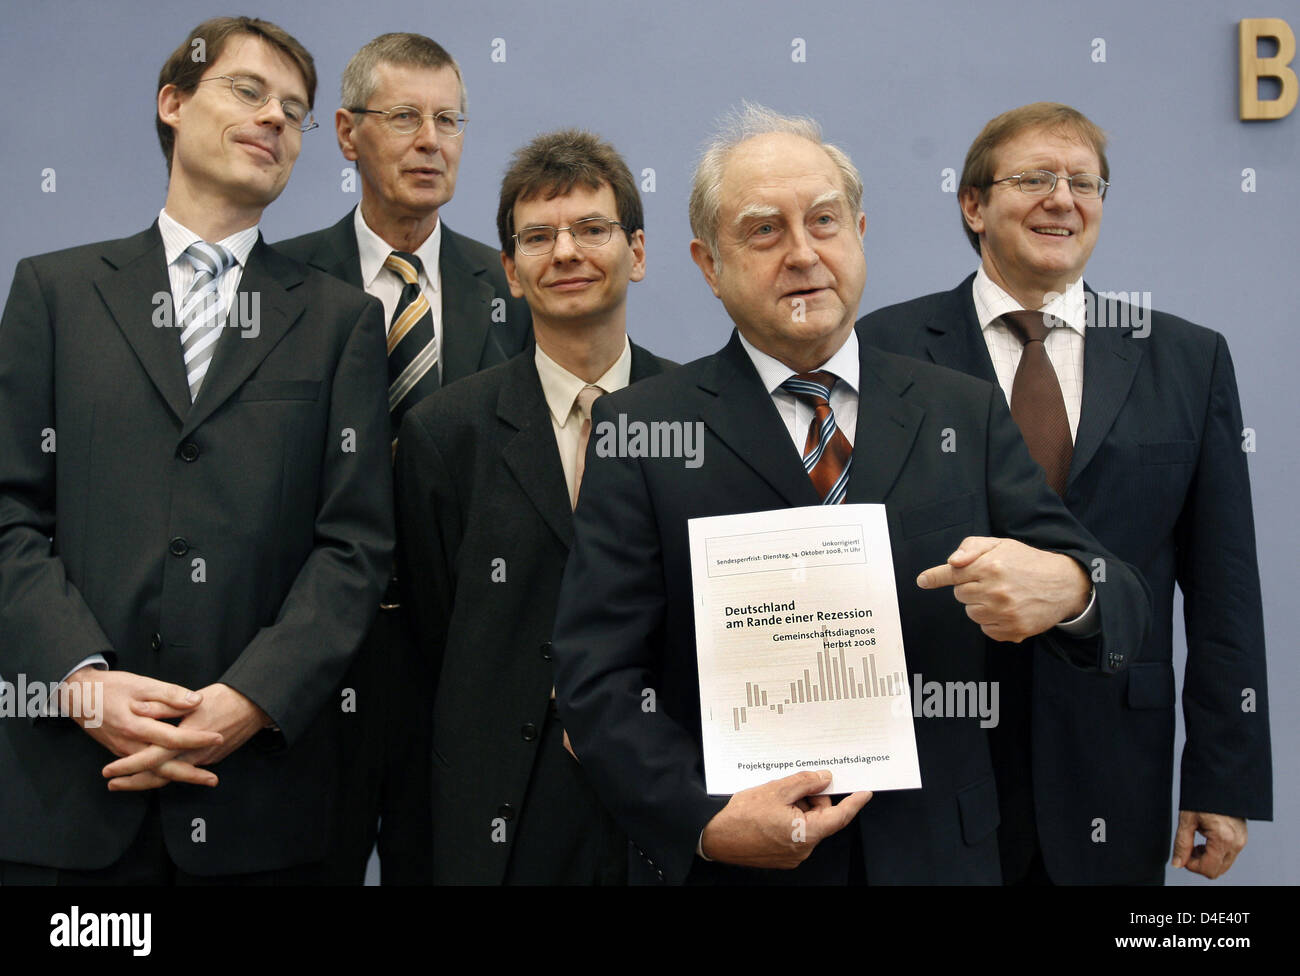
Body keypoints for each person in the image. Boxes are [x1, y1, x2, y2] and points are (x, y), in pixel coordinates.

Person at [548, 103, 1150, 885]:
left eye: (825, 221)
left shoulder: (959, 408)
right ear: (707, 263)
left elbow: (1122, 599)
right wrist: (704, 819)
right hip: (738, 863)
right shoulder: (641, 427)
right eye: (765, 230)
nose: (804, 253)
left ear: (859, 233)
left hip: (940, 856)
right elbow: (596, 680)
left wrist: (1070, 588)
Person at [0, 16, 392, 884]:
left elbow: (356, 547)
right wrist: (78, 679)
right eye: (248, 92)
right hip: (67, 798)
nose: (276, 121)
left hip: (257, 803)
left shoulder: (341, 323)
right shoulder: (53, 293)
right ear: (172, 103)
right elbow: (9, 510)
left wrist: (253, 699)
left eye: (294, 110)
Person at [858, 102, 1271, 884]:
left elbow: (1225, 592)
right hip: (929, 768)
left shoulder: (1187, 359)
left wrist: (1224, 778)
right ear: (973, 205)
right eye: (1034, 178)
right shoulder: (883, 349)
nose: (1063, 198)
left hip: (1113, 768)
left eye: (1085, 182)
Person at [276, 32, 531, 884]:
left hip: (459, 657)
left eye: (450, 119)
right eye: (406, 118)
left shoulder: (515, 286)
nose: (432, 140)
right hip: (309, 657)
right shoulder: (276, 285)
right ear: (347, 133)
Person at [395, 129, 672, 884]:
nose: (568, 253)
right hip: (506, 817)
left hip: (670, 801)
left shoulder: (708, 419)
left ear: (637, 253)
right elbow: (429, 641)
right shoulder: (444, 433)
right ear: (512, 273)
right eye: (540, 237)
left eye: (592, 229)